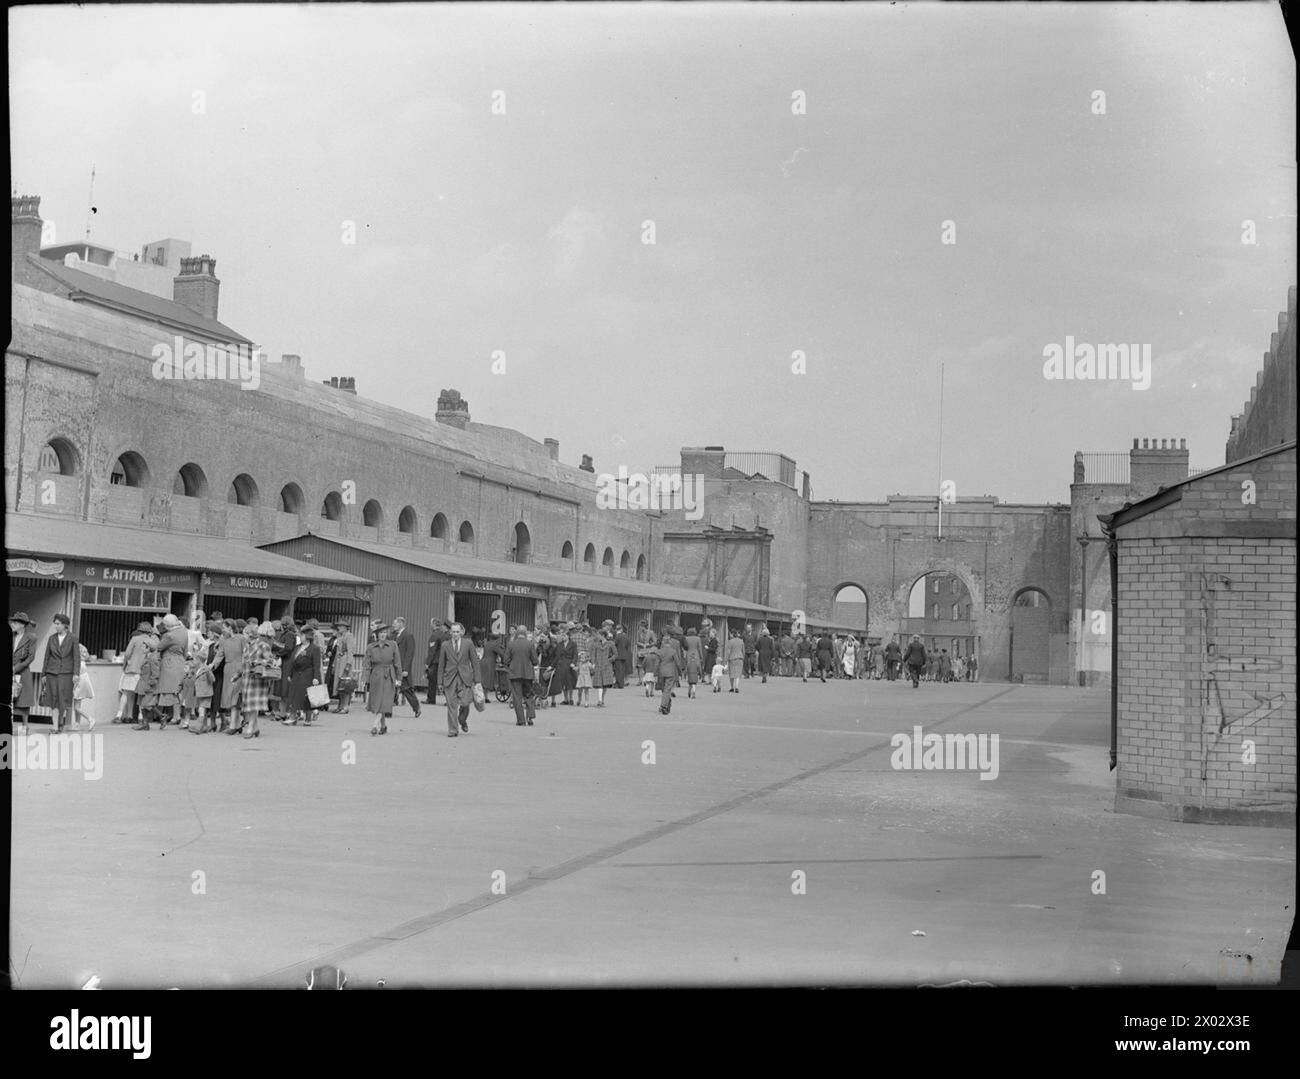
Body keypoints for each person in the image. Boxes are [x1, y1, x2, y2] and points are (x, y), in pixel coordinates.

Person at [437, 622, 481, 738]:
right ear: (450, 632)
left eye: (457, 632)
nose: (455, 634)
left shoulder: (468, 643)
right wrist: (440, 682)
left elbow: (475, 662)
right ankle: (453, 730)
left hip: (464, 677)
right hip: (450, 678)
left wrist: (477, 680)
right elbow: (441, 664)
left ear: (461, 632)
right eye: (453, 632)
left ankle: (462, 720)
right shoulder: (445, 645)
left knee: (465, 702)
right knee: (451, 705)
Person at [235, 622, 277, 738]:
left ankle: (250, 728)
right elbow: (244, 664)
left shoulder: (263, 645)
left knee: (253, 705)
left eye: (244, 633)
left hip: (258, 679)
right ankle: (256, 728)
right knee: (249, 705)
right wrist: (238, 675)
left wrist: (259, 662)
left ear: (249, 634)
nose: (243, 635)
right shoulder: (247, 647)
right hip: (247, 679)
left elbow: (271, 661)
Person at [41, 612, 80, 731]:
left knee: (62, 699)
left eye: (58, 624)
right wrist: (44, 674)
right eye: (55, 624)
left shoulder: (73, 638)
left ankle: (60, 722)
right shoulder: (52, 638)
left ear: (65, 625)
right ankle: (55, 726)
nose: (56, 626)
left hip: (66, 674)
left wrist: (76, 674)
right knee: (54, 698)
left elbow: (76, 657)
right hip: (52, 673)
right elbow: (46, 657)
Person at [362, 622, 401, 736]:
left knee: (385, 700)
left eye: (385, 632)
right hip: (376, 676)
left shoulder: (393, 645)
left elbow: (397, 662)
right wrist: (366, 678)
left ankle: (375, 725)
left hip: (389, 675)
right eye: (381, 633)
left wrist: (399, 678)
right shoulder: (371, 647)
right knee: (378, 701)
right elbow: (366, 664)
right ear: (377, 635)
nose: (383, 635)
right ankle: (383, 726)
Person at [283, 623, 324, 726]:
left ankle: (308, 718)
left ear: (307, 636)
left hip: (308, 675)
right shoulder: (297, 647)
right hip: (296, 674)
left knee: (307, 697)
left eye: (301, 635)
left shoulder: (315, 648)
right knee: (293, 696)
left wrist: (316, 678)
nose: (300, 637)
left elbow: (317, 665)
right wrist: (289, 674)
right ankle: (292, 717)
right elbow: (292, 662)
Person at [114, 621, 154, 724]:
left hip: (132, 669)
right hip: (144, 671)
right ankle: (140, 717)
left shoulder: (135, 639)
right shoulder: (152, 641)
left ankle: (121, 715)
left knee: (127, 693)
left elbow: (127, 654)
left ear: (139, 630)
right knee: (140, 695)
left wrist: (124, 666)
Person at [208, 621, 245, 732]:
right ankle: (236, 725)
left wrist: (244, 668)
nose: (222, 630)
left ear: (230, 628)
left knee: (235, 696)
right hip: (228, 669)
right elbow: (220, 655)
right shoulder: (223, 640)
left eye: (224, 627)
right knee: (231, 697)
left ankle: (234, 725)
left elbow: (246, 653)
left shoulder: (241, 638)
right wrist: (212, 665)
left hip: (239, 668)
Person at [10, 612, 39, 733]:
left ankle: (24, 726)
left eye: (15, 622)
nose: (12, 624)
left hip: (22, 672)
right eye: (12, 622)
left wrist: (16, 668)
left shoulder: (31, 637)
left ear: (22, 625)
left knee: (23, 700)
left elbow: (30, 658)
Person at [506, 625, 539, 727]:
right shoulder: (530, 644)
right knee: (529, 695)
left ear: (517, 633)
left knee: (517, 697)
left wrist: (511, 664)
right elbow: (535, 661)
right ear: (525, 633)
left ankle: (521, 720)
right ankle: (530, 717)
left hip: (515, 674)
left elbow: (506, 660)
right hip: (528, 674)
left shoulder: (511, 644)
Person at [390, 616, 422, 717]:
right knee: (390, 686)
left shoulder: (408, 635)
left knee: (406, 688)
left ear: (401, 624)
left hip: (402, 667)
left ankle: (416, 707)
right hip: (394, 665)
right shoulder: (394, 635)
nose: (393, 625)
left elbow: (410, 653)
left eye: (395, 623)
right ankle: (388, 709)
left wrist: (406, 669)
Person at [325, 621, 357, 713]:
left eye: (342, 626)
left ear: (346, 627)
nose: (339, 627)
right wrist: (334, 665)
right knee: (339, 685)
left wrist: (348, 665)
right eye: (339, 626)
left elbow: (350, 651)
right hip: (339, 662)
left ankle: (345, 706)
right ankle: (340, 705)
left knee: (345, 684)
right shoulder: (340, 637)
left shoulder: (349, 636)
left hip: (345, 661)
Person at [133, 638, 162, 730]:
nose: (141, 648)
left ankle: (161, 717)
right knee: (142, 704)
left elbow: (155, 673)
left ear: (148, 648)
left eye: (143, 646)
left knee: (147, 704)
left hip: (148, 685)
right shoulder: (146, 657)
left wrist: (151, 684)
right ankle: (145, 724)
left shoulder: (153, 658)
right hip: (142, 684)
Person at [656, 628, 685, 715]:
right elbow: (678, 662)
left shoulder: (659, 651)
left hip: (661, 672)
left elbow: (657, 663)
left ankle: (665, 704)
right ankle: (664, 705)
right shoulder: (674, 649)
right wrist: (680, 672)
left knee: (664, 689)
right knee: (667, 690)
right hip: (671, 672)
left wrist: (655, 673)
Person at [71, 643, 96, 731]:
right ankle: (77, 724)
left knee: (76, 707)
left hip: (79, 683)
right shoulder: (82, 662)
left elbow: (75, 675)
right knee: (78, 704)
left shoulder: (78, 663)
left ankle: (90, 719)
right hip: (84, 681)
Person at [424, 619, 448, 705]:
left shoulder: (434, 635)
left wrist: (427, 663)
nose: (430, 626)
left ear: (434, 625)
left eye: (431, 624)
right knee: (444, 680)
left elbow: (432, 651)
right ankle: (449, 699)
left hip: (435, 661)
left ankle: (431, 699)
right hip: (444, 661)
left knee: (432, 680)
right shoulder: (444, 635)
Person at [590, 627, 615, 707]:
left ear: (603, 635)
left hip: (607, 666)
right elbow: (593, 654)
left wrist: (610, 660)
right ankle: (600, 700)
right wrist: (593, 663)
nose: (597, 636)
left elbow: (616, 654)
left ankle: (602, 699)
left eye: (599, 635)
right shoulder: (596, 644)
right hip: (598, 665)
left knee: (605, 684)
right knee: (599, 684)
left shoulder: (610, 644)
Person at [554, 626, 576, 706]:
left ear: (568, 636)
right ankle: (565, 699)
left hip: (569, 664)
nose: (563, 637)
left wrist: (573, 663)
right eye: (562, 636)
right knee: (563, 682)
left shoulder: (573, 644)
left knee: (570, 682)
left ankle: (571, 698)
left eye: (565, 636)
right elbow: (557, 655)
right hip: (561, 664)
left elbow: (575, 655)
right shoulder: (559, 644)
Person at [614, 624, 631, 689]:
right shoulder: (626, 636)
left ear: (617, 629)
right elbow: (627, 646)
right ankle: (622, 683)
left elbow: (614, 645)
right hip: (624, 655)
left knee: (618, 670)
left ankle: (619, 684)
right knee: (622, 670)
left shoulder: (617, 636)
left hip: (618, 655)